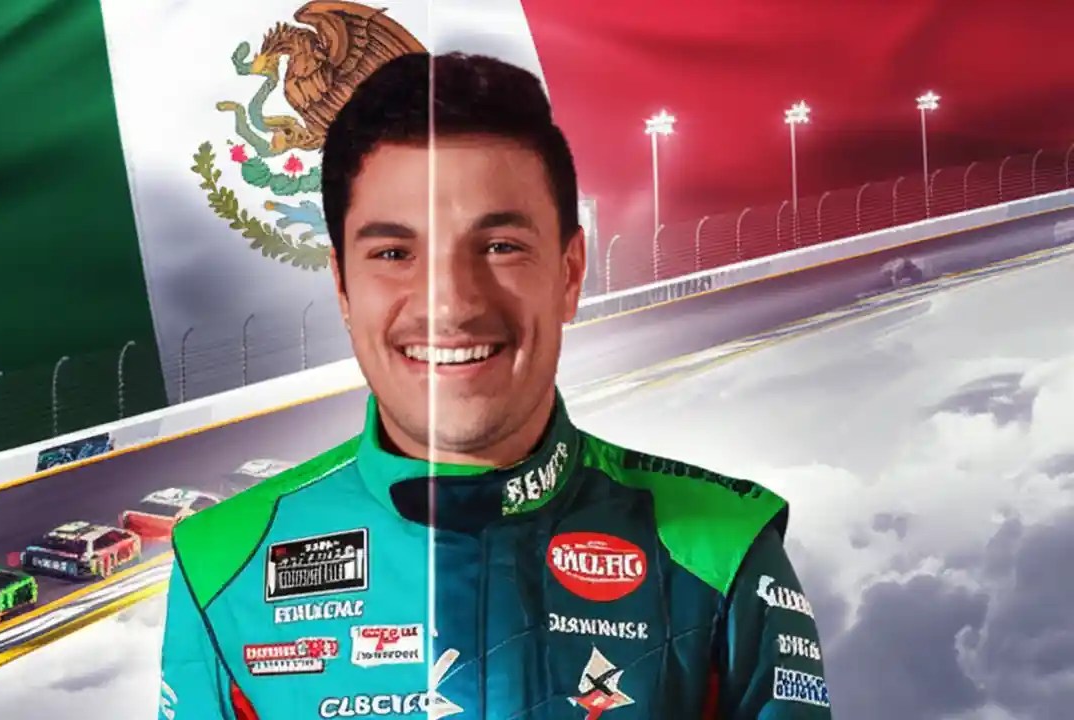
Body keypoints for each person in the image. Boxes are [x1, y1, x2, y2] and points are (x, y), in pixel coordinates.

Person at [157, 51, 832, 720]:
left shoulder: (724, 550)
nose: (449, 303)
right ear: (341, 286)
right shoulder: (222, 566)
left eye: (500, 246)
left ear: (570, 273)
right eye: (393, 254)